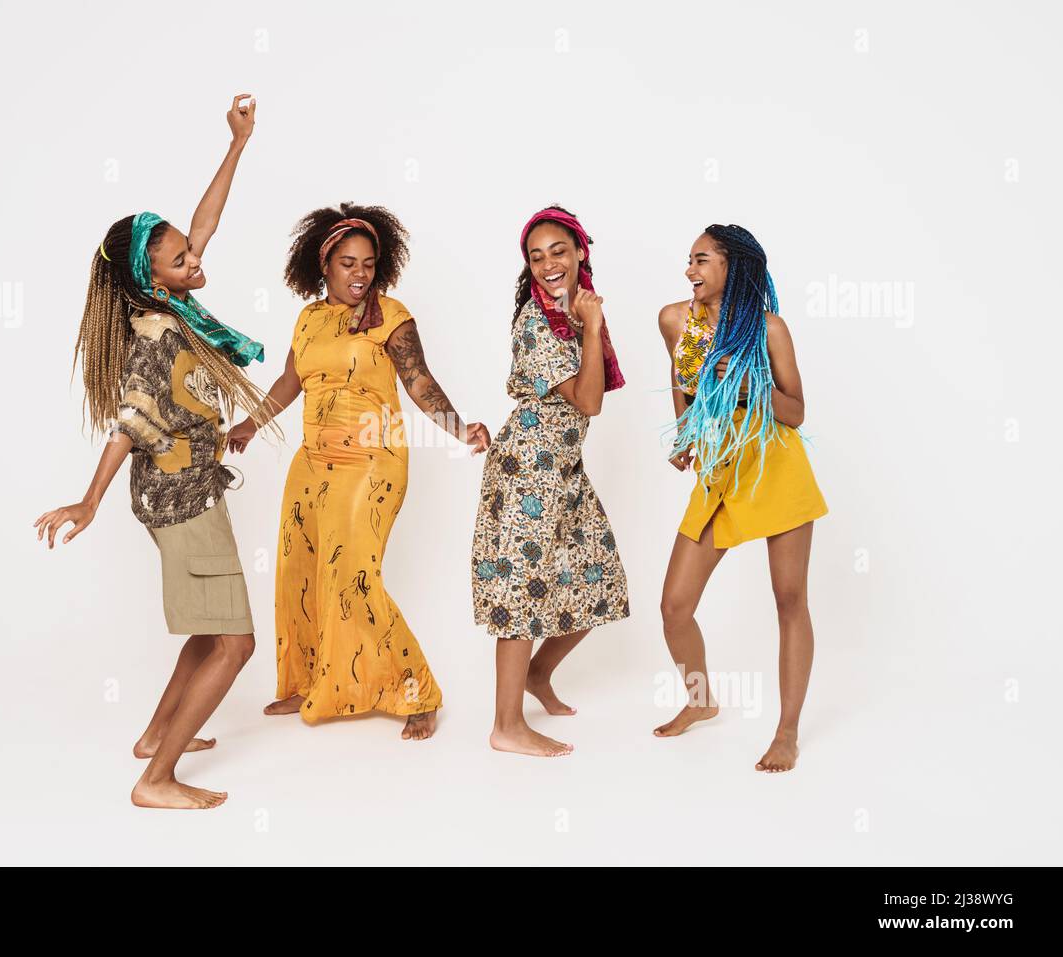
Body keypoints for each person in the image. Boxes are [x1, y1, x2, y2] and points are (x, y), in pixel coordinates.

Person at [34, 94, 281, 808]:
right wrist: (88, 499)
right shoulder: (156, 335)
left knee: (210, 630)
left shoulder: (171, 303)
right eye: (180, 257)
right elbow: (129, 421)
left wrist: (236, 144)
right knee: (235, 645)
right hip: (179, 499)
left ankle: (153, 737)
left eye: (190, 249)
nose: (195, 256)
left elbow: (202, 224)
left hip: (186, 485)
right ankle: (157, 779)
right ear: (153, 277)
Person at [227, 204, 489, 740]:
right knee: (298, 566)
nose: (360, 274)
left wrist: (460, 429)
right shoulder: (309, 319)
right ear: (323, 266)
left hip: (372, 461)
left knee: (353, 575)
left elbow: (420, 382)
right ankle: (308, 683)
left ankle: (417, 690)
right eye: (348, 263)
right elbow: (290, 381)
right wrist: (250, 426)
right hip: (312, 460)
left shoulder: (390, 316)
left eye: (368, 264)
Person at [653, 224, 828, 773]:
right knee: (675, 607)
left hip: (774, 466)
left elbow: (797, 411)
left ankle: (787, 730)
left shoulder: (769, 330)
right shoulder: (674, 320)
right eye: (689, 260)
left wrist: (751, 386)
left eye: (702, 260)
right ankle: (701, 700)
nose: (690, 270)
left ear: (734, 267)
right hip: (722, 472)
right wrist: (685, 437)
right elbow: (681, 386)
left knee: (788, 598)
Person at [471, 205, 630, 757]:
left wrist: (587, 324)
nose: (547, 264)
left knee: (600, 581)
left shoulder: (572, 315)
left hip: (564, 469)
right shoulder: (539, 323)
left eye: (558, 251)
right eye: (535, 257)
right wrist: (592, 326)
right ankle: (506, 726)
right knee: (518, 594)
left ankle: (537, 676)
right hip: (527, 473)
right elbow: (589, 401)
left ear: (581, 251)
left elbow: (590, 399)